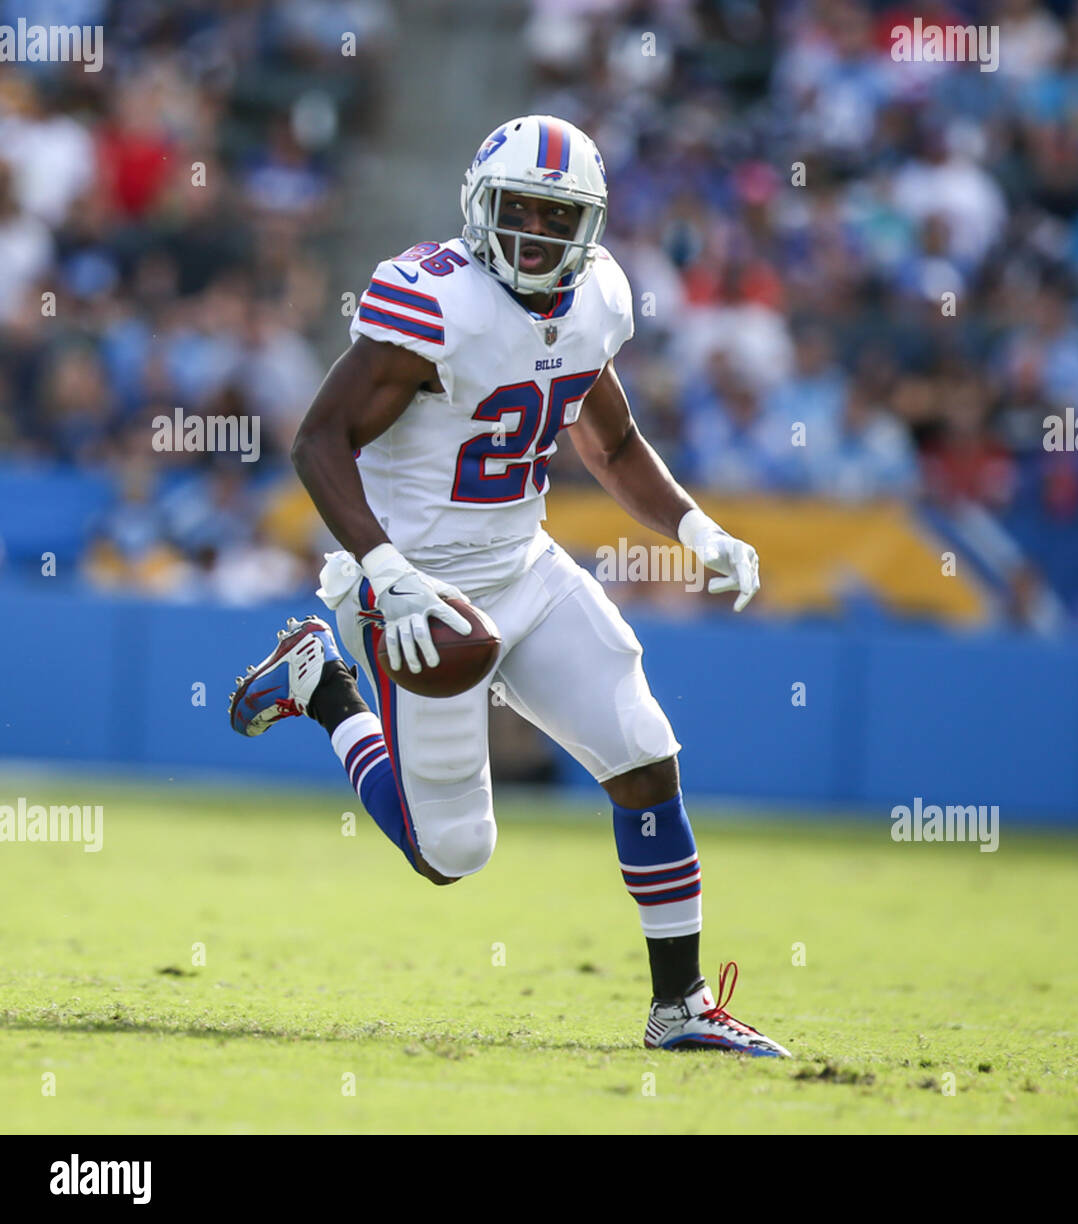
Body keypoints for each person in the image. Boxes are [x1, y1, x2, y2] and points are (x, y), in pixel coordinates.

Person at [228, 115, 789, 1057]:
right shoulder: (431, 300)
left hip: (524, 566)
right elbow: (318, 440)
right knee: (453, 855)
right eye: (517, 211)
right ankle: (322, 687)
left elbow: (606, 439)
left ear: (593, 226)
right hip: (418, 591)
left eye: (556, 216)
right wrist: (385, 570)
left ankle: (679, 1006)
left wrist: (696, 526)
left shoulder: (597, 299)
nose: (534, 234)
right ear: (477, 208)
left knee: (645, 750)